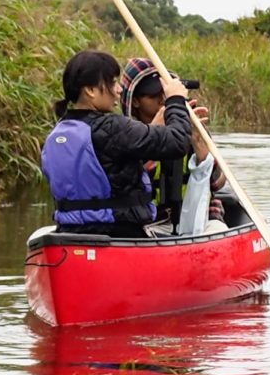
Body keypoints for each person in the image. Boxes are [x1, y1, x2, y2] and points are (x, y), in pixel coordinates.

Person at [41, 49, 209, 238]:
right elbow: (177, 142)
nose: (119, 90)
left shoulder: (56, 135)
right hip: (119, 234)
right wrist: (176, 101)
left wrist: (152, 130)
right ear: (90, 90)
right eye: (112, 83)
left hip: (70, 233)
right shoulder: (113, 127)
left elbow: (108, 164)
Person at [121, 57, 245, 231]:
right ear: (135, 101)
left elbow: (217, 182)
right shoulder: (125, 135)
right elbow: (126, 181)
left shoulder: (190, 125)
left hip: (201, 218)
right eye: (154, 95)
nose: (162, 100)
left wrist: (198, 142)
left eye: (166, 94)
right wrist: (153, 133)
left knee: (217, 230)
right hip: (149, 222)